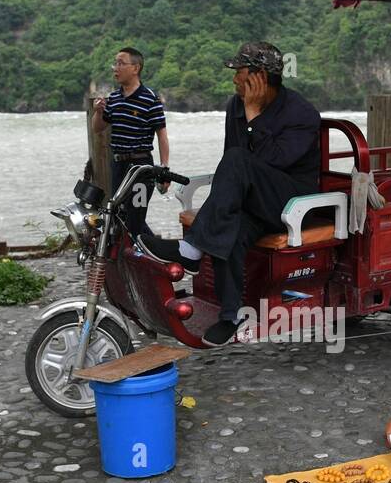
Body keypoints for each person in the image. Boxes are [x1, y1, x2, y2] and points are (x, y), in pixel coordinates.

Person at [137, 41, 320, 347]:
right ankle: (231, 317)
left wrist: (253, 116)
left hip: (290, 202)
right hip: (252, 199)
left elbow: (270, 161)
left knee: (237, 161)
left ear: (259, 76)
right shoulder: (234, 105)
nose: (234, 79)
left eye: (240, 72)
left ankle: (191, 249)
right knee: (229, 230)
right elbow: (231, 165)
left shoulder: (301, 113)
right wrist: (246, 114)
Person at [92, 46, 170, 238]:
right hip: (118, 165)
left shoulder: (149, 98)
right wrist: (99, 112)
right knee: (119, 214)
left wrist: (165, 168)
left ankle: (149, 255)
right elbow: (98, 128)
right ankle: (148, 253)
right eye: (115, 63)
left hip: (141, 167)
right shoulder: (114, 98)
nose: (115, 68)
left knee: (136, 216)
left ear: (135, 68)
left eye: (121, 63)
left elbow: (162, 134)